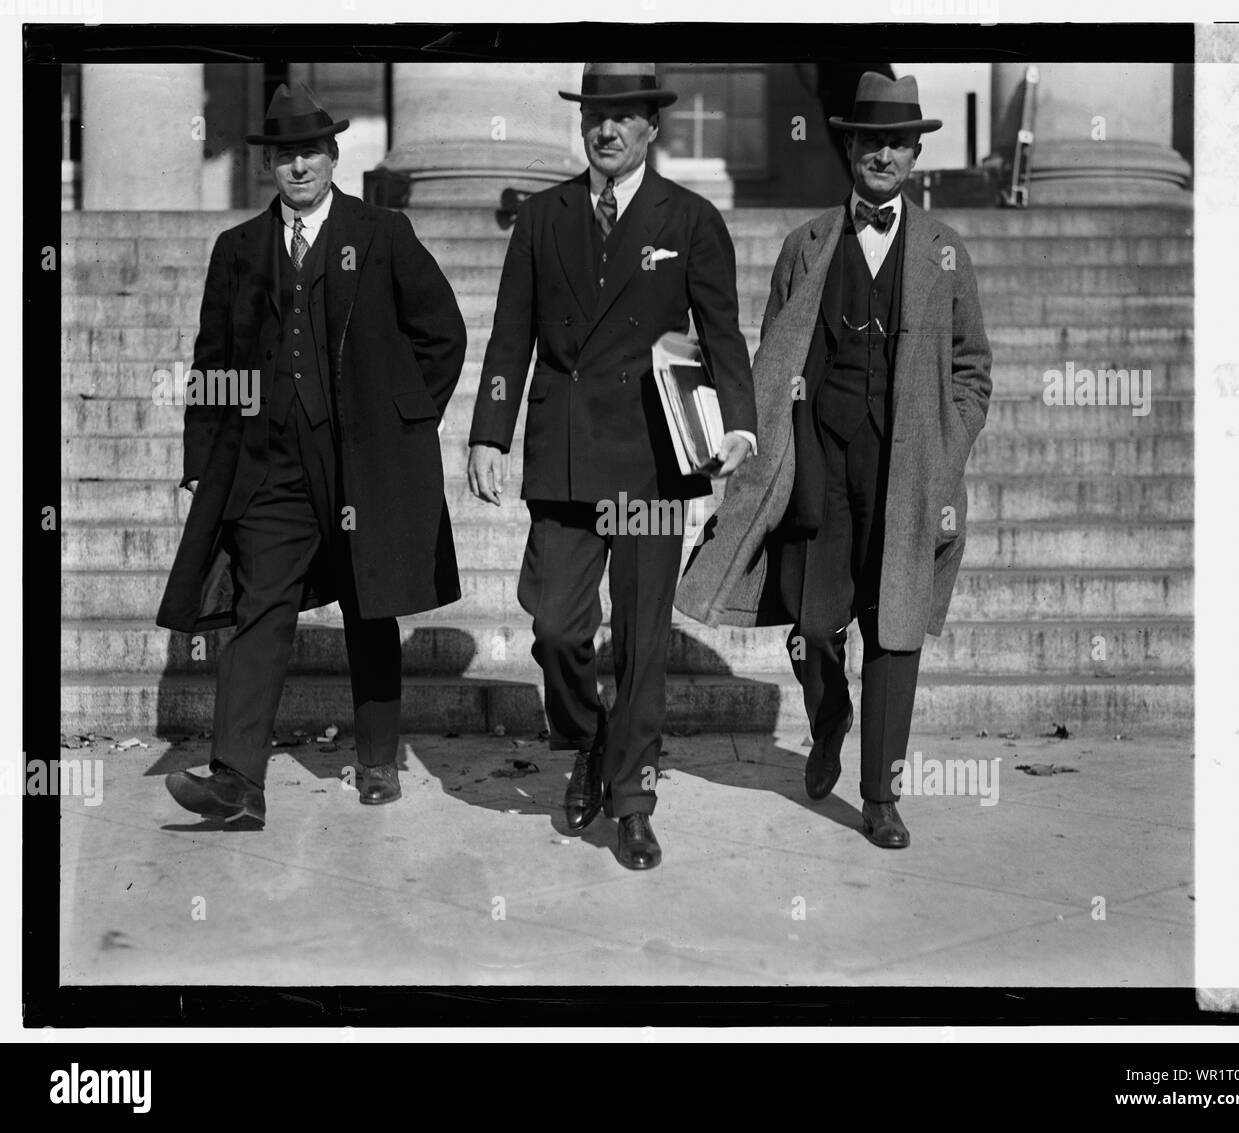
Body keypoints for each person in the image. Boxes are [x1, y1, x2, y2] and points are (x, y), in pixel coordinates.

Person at [676, 73, 992, 850]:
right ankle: (828, 718)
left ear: (916, 154)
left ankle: (880, 796)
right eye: (869, 139)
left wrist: (949, 443)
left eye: (898, 141)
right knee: (816, 625)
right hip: (818, 457)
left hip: (907, 465)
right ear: (848, 146)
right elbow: (773, 346)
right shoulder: (806, 245)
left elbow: (973, 368)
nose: (883, 153)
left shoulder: (947, 253)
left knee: (894, 627)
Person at [466, 63, 757, 870]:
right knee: (558, 627)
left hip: (653, 458)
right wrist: (489, 431)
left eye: (624, 116)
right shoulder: (542, 217)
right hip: (563, 455)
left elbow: (722, 335)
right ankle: (591, 738)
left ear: (651, 128)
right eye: (596, 113)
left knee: (639, 637)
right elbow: (508, 335)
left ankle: (631, 799)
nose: (607, 128)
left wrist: (737, 424)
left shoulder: (691, 219)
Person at [157, 82, 467, 825]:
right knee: (260, 606)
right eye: (284, 156)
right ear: (271, 167)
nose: (297, 167)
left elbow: (442, 334)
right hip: (269, 464)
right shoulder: (237, 249)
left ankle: (376, 759)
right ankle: (238, 781)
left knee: (369, 602)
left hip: (361, 461)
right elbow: (215, 365)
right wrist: (199, 464)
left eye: (309, 153)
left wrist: (402, 422)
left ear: (332, 156)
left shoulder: (381, 232)